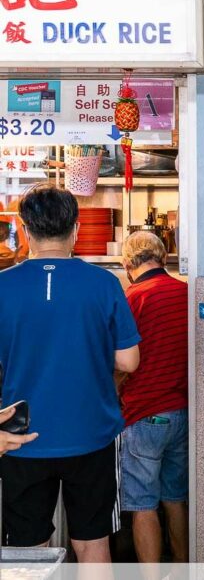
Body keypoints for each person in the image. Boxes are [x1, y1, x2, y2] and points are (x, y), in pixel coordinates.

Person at [0, 185, 140, 561]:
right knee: (92, 544)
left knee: (27, 552)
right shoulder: (105, 284)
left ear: (26, 230)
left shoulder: (2, 286)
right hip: (91, 433)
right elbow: (129, 361)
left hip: (20, 436)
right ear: (76, 230)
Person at [118, 231, 189, 564]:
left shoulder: (133, 298)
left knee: (143, 504)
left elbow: (121, 361)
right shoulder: (185, 293)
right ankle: (183, 568)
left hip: (144, 415)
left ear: (127, 264)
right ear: (162, 258)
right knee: (176, 499)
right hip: (182, 413)